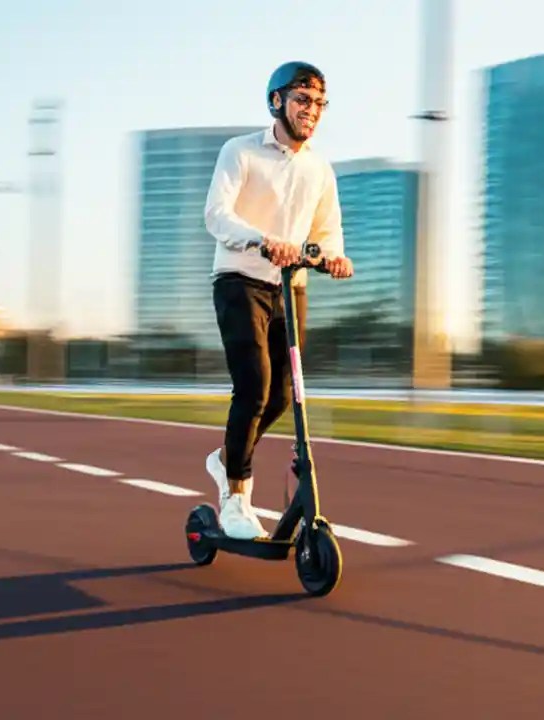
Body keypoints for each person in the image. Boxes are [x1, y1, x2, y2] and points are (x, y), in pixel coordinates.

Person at [201, 61, 353, 539]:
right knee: (254, 385)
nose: (312, 110)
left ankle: (227, 458)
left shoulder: (319, 169)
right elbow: (216, 214)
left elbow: (327, 232)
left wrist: (334, 258)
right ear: (276, 101)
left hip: (290, 286)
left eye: (320, 103)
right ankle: (235, 496)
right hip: (240, 278)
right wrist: (261, 240)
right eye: (302, 99)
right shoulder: (240, 151)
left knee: (285, 395)